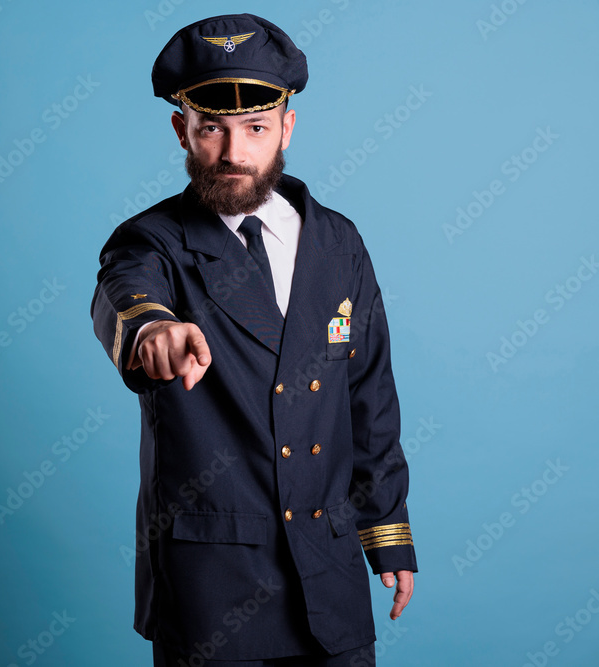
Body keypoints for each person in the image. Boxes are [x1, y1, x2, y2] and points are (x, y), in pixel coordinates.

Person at [90, 14, 418, 666]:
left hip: (329, 581)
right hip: (213, 589)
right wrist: (154, 329)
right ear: (183, 129)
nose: (234, 152)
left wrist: (388, 534)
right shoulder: (151, 241)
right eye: (212, 128)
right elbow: (124, 296)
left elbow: (369, 396)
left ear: (286, 128)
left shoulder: (340, 243)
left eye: (256, 128)